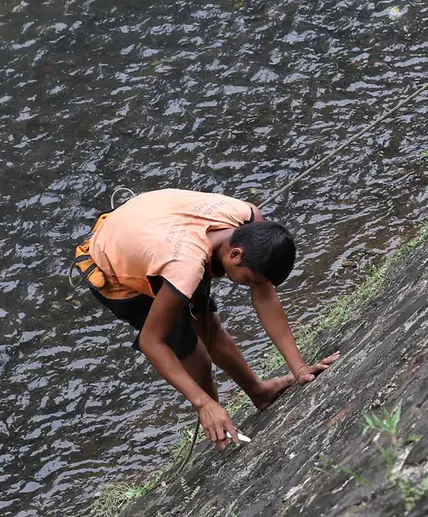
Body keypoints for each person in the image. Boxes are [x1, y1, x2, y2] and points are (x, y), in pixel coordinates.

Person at [72, 189, 338, 451]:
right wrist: (203, 403)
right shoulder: (184, 265)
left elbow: (265, 296)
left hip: (153, 229)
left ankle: (259, 392)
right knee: (194, 355)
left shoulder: (250, 220)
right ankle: (217, 424)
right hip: (116, 269)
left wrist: (300, 368)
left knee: (209, 327)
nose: (251, 286)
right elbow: (152, 341)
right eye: (249, 280)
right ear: (235, 254)